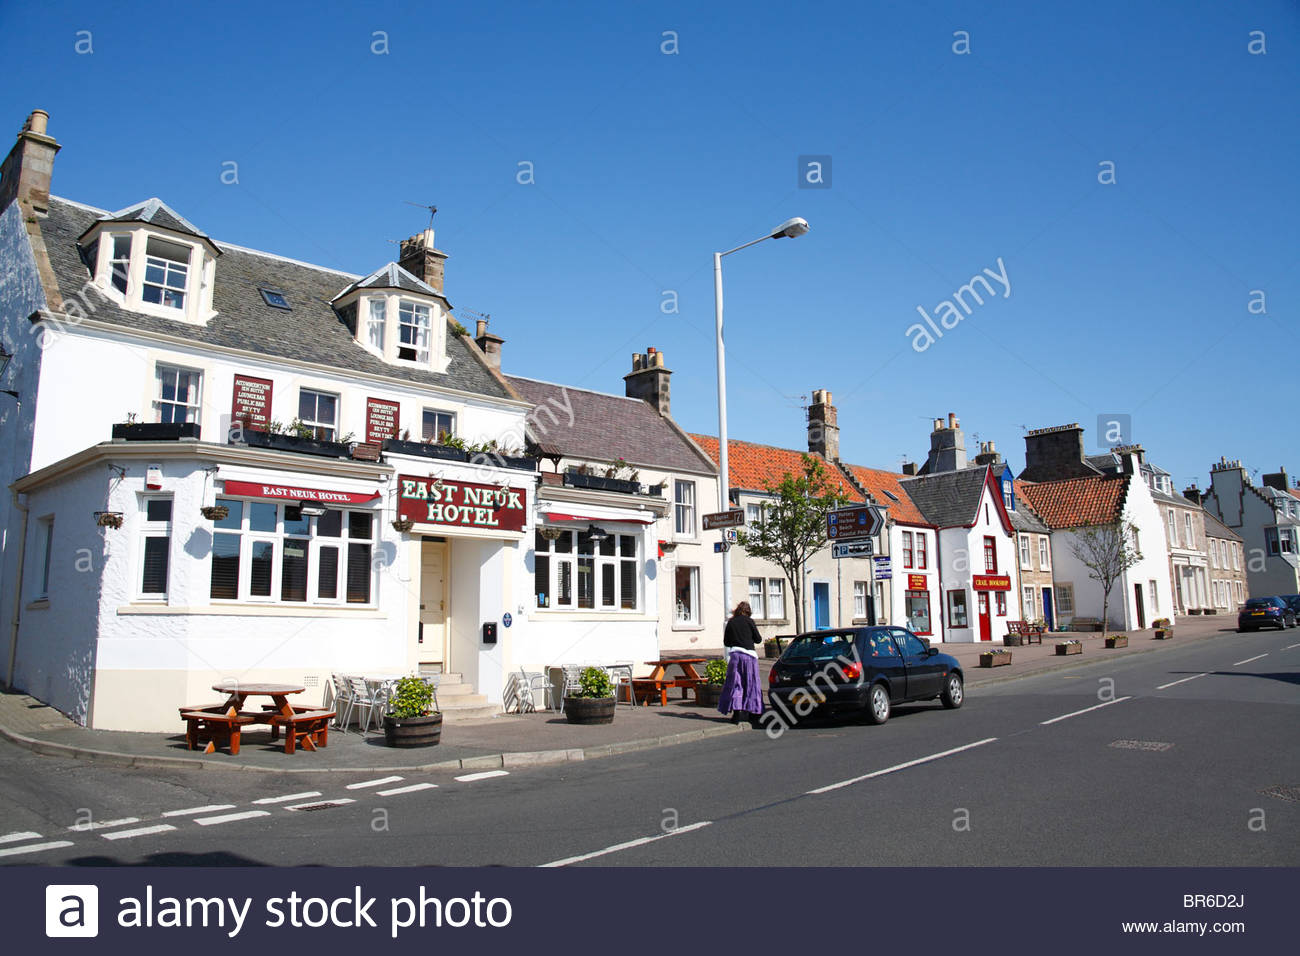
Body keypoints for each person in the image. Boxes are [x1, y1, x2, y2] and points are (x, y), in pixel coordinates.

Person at [718, 601, 764, 728]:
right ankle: (753, 713)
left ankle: (736, 714)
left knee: (736, 684)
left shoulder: (731, 622)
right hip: (749, 656)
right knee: (751, 684)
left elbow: (726, 642)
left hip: (735, 656)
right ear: (748, 611)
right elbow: (758, 639)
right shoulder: (749, 621)